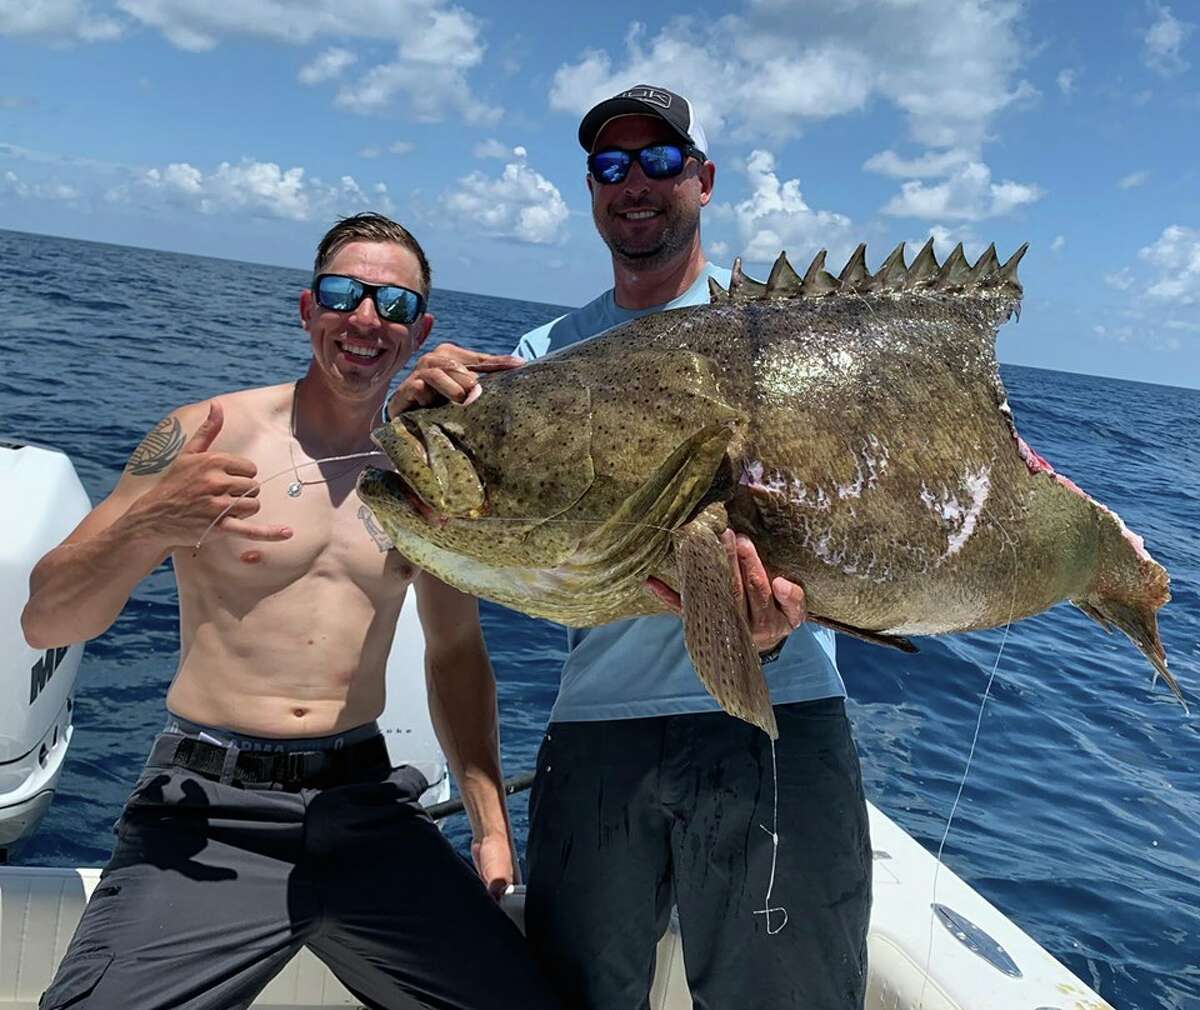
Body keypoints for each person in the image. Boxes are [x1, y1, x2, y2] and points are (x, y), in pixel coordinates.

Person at [392, 87, 873, 1009]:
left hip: (780, 710)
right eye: (611, 166)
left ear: (704, 179)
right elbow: (445, 534)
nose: (634, 182)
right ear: (591, 189)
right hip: (597, 728)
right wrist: (410, 415)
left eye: (658, 160)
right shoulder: (541, 356)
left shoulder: (789, 338)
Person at [21, 213, 560, 1010]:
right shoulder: (204, 436)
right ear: (309, 310)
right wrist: (148, 525)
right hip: (210, 810)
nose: (367, 318)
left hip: (366, 806)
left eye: (395, 304)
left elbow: (454, 649)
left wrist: (488, 828)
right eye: (344, 294)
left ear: (419, 333)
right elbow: (46, 620)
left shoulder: (425, 473)